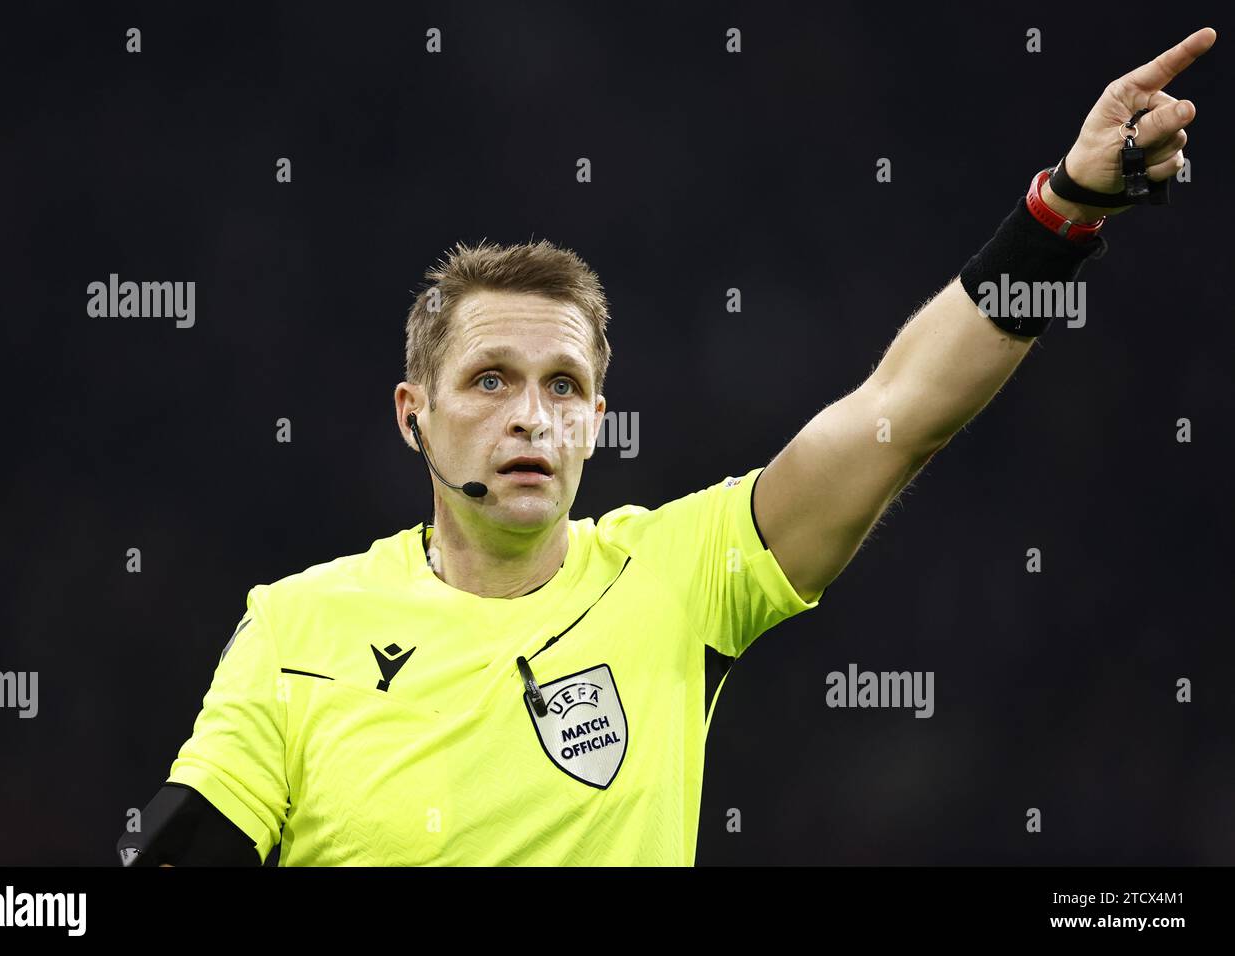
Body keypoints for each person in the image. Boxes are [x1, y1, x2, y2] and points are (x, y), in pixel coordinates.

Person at [118, 27, 1215, 866]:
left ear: (597, 421)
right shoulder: (300, 622)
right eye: (489, 380)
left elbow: (905, 403)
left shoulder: (680, 577)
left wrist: (1064, 207)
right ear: (413, 413)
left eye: (564, 387)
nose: (529, 416)